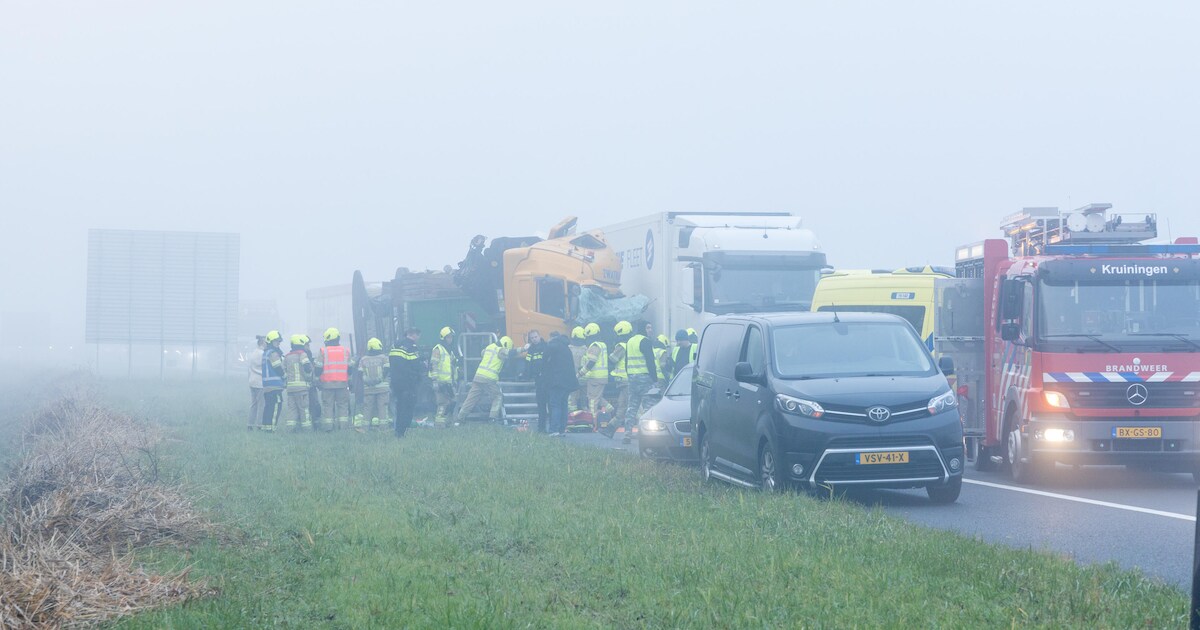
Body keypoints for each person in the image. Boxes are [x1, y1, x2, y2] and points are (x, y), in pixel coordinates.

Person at [602, 323, 658, 443]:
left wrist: (630, 375)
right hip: (645, 378)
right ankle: (648, 434)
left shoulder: (630, 342)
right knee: (648, 407)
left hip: (632, 379)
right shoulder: (645, 341)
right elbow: (650, 361)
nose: (650, 330)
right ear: (644, 329)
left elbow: (627, 362)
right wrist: (654, 379)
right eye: (648, 328)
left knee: (632, 407)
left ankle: (627, 434)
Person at [456, 336, 518, 424]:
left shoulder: (490, 347)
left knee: (471, 399)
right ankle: (492, 418)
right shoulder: (501, 350)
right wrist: (523, 349)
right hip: (489, 379)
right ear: (506, 344)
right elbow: (509, 353)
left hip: (478, 377)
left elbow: (482, 353)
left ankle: (459, 419)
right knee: (498, 396)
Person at [315, 327, 355, 431]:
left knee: (328, 406)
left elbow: (318, 368)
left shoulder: (323, 351)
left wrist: (317, 379)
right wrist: (349, 381)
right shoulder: (346, 351)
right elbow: (350, 368)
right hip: (342, 384)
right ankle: (343, 428)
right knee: (343, 406)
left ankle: (328, 428)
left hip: (327, 384)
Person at [544, 331, 579, 436]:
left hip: (557, 382)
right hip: (568, 382)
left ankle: (554, 429)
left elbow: (545, 361)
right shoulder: (566, 347)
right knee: (563, 405)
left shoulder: (552, 346)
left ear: (552, 338)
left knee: (555, 404)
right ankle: (561, 430)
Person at [389, 327, 422, 437]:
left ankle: (397, 429)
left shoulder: (395, 345)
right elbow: (416, 365)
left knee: (399, 406)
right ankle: (403, 431)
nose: (418, 338)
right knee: (407, 407)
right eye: (418, 335)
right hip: (408, 383)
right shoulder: (412, 347)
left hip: (395, 381)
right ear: (414, 335)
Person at [579, 323, 612, 428]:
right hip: (602, 377)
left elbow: (591, 362)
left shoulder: (594, 346)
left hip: (595, 377)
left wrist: (581, 373)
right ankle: (610, 409)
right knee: (598, 397)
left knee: (592, 399)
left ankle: (593, 421)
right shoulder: (602, 345)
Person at [283, 334, 314, 431]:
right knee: (304, 409)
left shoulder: (287, 356)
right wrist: (309, 377)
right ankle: (307, 430)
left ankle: (290, 429)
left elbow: (283, 370)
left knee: (292, 410)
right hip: (301, 388)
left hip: (290, 389)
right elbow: (307, 368)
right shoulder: (302, 354)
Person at [359, 337, 391, 431]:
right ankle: (384, 428)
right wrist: (379, 379)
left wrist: (367, 380)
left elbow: (360, 373)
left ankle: (365, 428)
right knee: (382, 408)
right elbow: (387, 370)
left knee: (367, 408)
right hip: (382, 388)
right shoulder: (384, 357)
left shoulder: (363, 359)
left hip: (368, 388)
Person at [428, 326, 457, 427]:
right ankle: (439, 424)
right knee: (442, 403)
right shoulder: (438, 349)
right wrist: (435, 381)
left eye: (451, 337)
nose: (450, 339)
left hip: (448, 382)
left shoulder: (450, 351)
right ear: (443, 338)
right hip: (440, 382)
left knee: (453, 402)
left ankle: (448, 422)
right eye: (448, 337)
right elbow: (433, 365)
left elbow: (452, 366)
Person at [607, 321, 632, 434]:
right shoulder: (631, 344)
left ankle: (639, 428)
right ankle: (611, 428)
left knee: (630, 405)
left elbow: (612, 359)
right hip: (627, 380)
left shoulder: (621, 346)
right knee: (623, 404)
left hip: (625, 380)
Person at [523, 330, 549, 433]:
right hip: (538, 379)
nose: (534, 339)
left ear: (540, 336)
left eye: (535, 337)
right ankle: (541, 428)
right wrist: (526, 375)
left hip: (547, 379)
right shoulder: (531, 349)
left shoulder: (546, 347)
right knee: (541, 404)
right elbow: (528, 363)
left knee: (550, 404)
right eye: (532, 338)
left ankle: (552, 428)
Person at [260, 330, 286, 431]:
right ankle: (272, 428)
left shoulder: (266, 353)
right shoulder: (273, 353)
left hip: (267, 386)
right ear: (271, 341)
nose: (278, 343)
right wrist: (285, 376)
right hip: (275, 386)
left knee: (268, 408)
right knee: (276, 407)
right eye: (276, 341)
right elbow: (278, 368)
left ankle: (265, 428)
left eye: (279, 341)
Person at [247, 335, 266, 430]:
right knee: (261, 405)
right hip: (260, 382)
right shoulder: (263, 353)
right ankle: (259, 425)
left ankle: (250, 424)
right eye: (266, 342)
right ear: (262, 343)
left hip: (252, 381)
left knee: (253, 404)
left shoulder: (253, 353)